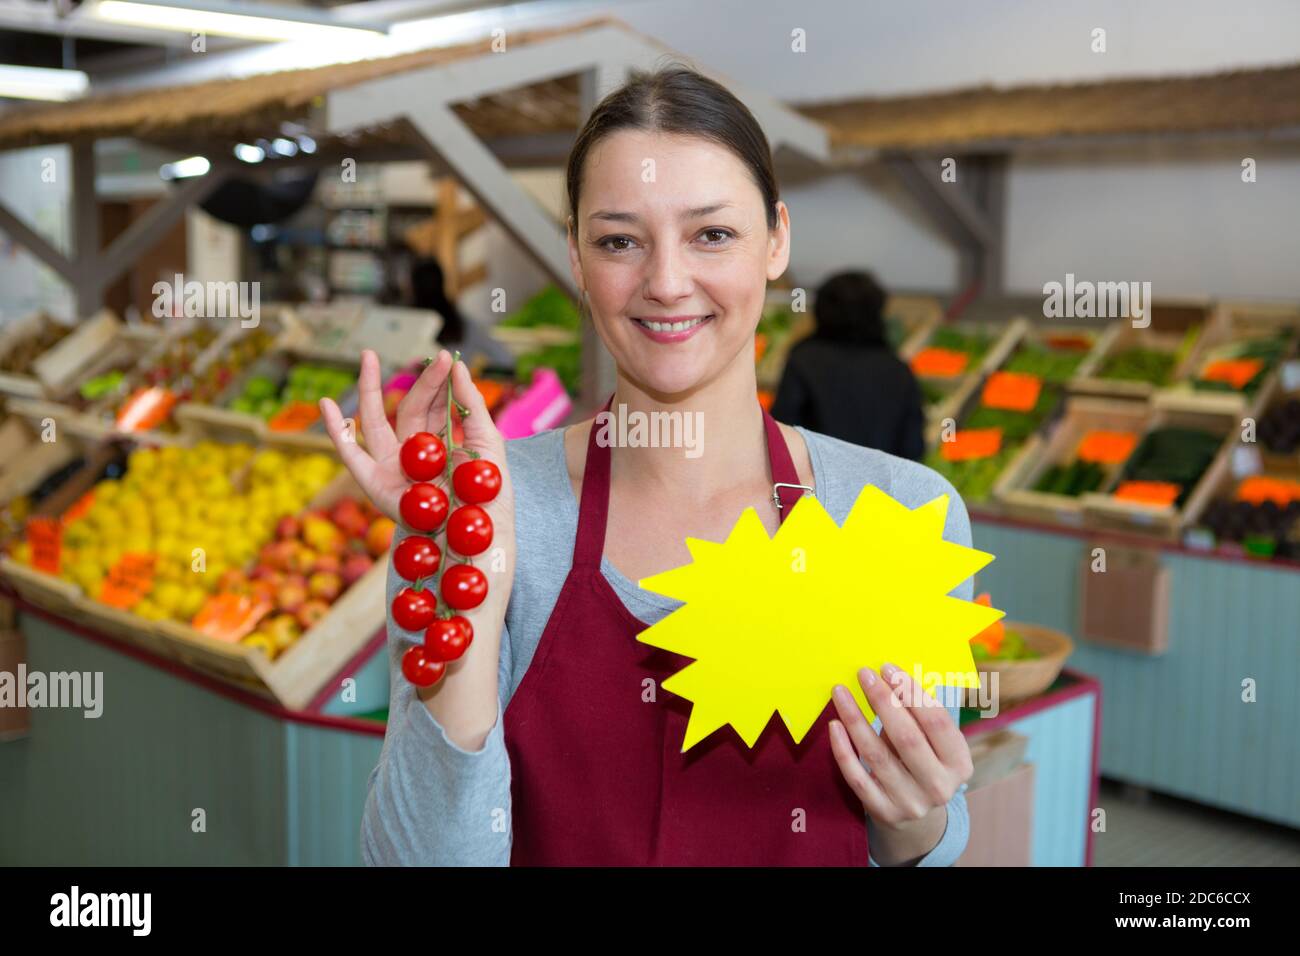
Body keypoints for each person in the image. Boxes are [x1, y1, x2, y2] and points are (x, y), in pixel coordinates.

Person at [320, 65, 975, 867]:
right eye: (620, 241)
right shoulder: (481, 512)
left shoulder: (902, 512)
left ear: (777, 239)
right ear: (575, 257)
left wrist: (918, 825)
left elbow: (924, 837)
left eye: (712, 234)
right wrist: (475, 596)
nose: (666, 283)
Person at [772, 271, 926, 460]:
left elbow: (781, 433)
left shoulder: (804, 359)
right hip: (881, 485)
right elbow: (913, 447)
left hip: (817, 483)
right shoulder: (897, 370)